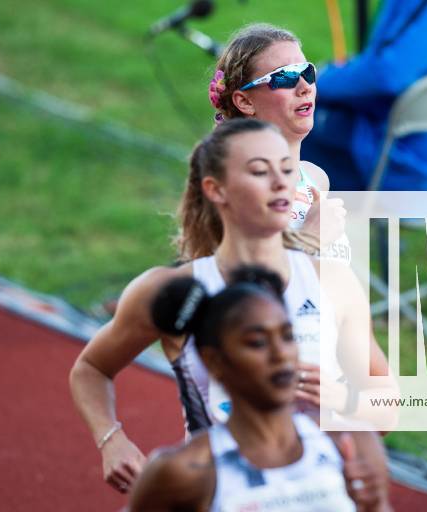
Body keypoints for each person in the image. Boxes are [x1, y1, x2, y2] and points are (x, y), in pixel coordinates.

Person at [69, 119, 392, 494]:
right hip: (222, 493)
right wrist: (111, 439)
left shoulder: (331, 281)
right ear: (215, 189)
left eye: (286, 169)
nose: (279, 182)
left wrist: (343, 399)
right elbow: (91, 368)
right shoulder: (176, 291)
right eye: (259, 171)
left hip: (319, 493)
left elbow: (387, 407)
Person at [127, 266, 388, 511]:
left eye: (287, 336)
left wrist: (372, 507)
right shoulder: (184, 471)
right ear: (214, 361)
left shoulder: (352, 442)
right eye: (257, 342)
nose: (281, 355)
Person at [301, 0, 427, 191]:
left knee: (290, 122)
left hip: (404, 172)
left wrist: (320, 83)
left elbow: (389, 75)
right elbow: (384, 66)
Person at [208, 23, 345, 248]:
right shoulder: (238, 188)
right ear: (245, 101)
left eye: (306, 72)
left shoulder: (315, 179)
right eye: (286, 77)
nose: (305, 87)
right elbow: (241, 278)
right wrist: (310, 239)